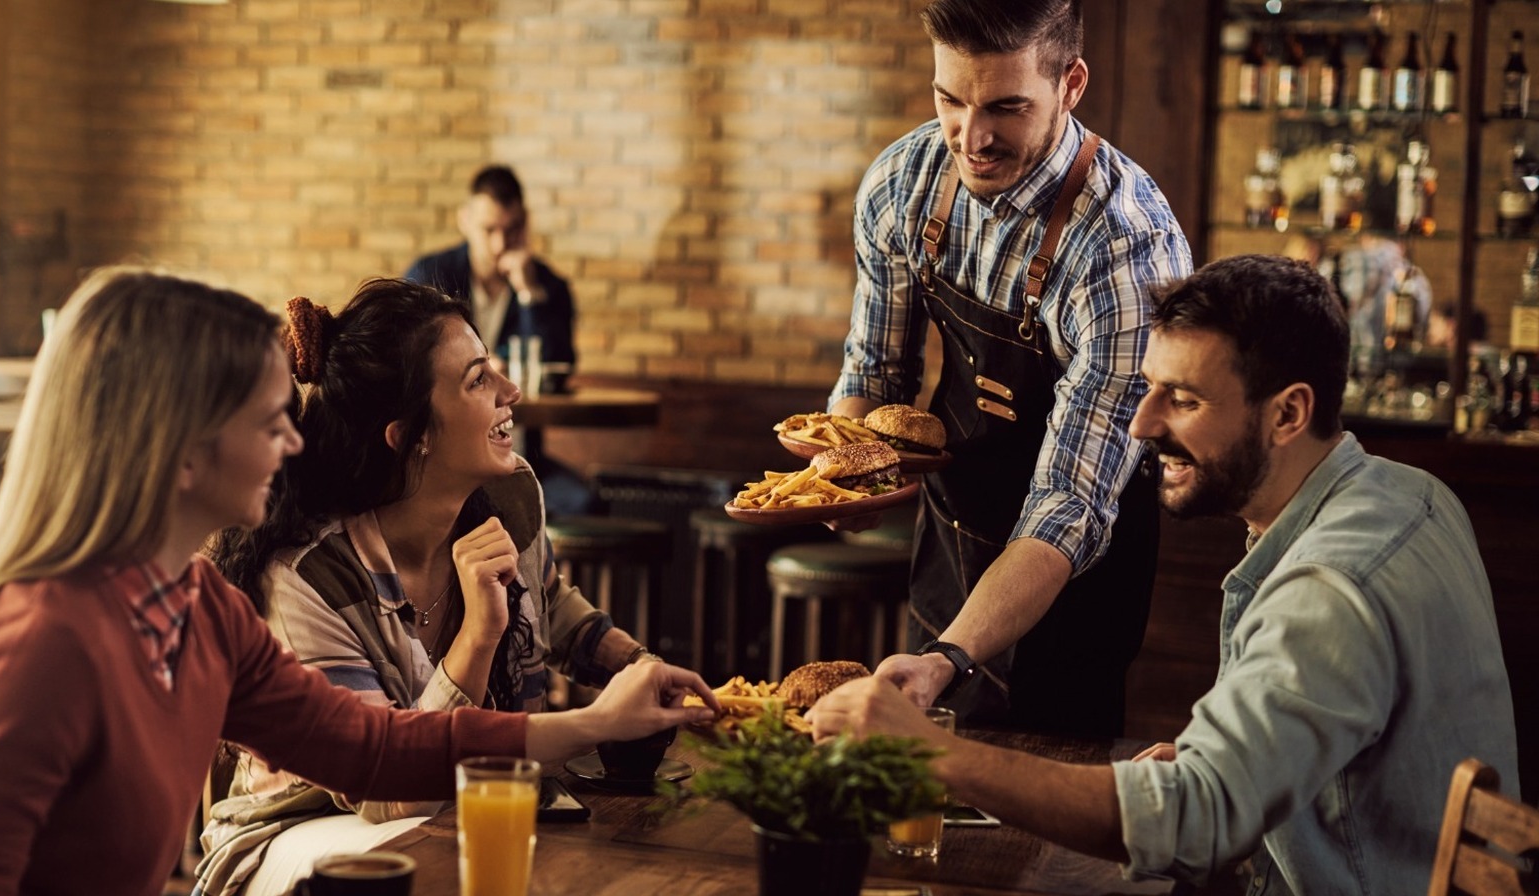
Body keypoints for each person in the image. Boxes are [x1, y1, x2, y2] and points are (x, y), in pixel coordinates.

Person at [0, 267, 716, 896]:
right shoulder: (37, 645)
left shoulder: (198, 610)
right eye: (266, 418)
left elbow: (374, 747)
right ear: (178, 451)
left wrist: (597, 723)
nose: (291, 439)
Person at [811, 254, 1520, 893]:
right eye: (1148, 389)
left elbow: (1193, 826)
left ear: (1289, 413)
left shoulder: (1328, 590)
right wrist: (1235, 755)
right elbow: (1355, 726)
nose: (1142, 425)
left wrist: (931, 753)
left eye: (1183, 399)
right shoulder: (1412, 495)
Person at [196, 279, 654, 895]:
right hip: (305, 834)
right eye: (477, 380)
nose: (511, 391)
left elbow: (553, 608)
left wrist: (638, 665)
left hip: (459, 804)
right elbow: (387, 788)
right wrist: (480, 635)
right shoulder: (310, 579)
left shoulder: (509, 498)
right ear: (412, 435)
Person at [829, 0, 1193, 735]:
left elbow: (1068, 506)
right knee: (921, 811)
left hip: (1072, 592)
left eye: (1006, 107)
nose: (971, 138)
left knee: (1038, 827)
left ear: (1072, 84)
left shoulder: (1125, 251)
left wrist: (948, 659)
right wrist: (841, 474)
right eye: (950, 100)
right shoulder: (904, 184)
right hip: (952, 543)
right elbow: (874, 375)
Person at [404, 163, 592, 515]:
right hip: (444, 456)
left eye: (513, 228)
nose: (500, 243)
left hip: (519, 450)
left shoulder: (549, 287)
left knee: (582, 503)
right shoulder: (429, 276)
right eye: (489, 229)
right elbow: (409, 368)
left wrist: (527, 294)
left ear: (526, 224)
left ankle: (542, 572)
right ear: (465, 221)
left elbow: (556, 371)